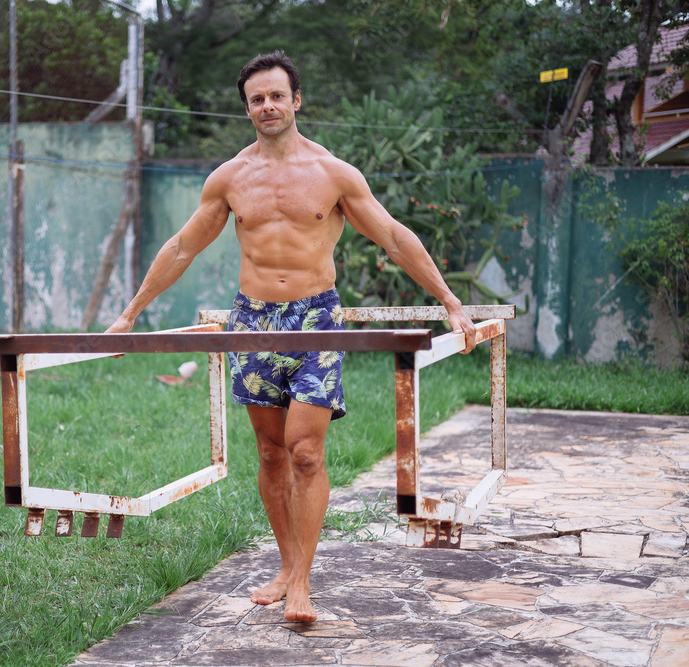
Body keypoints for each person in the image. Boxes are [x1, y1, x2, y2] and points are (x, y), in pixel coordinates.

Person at [106, 50, 477, 622]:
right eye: (257, 98)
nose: (268, 106)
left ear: (296, 100)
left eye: (277, 95)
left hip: (315, 319)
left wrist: (449, 301)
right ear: (247, 108)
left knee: (306, 451)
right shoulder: (230, 178)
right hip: (252, 321)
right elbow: (182, 246)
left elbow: (395, 240)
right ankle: (285, 564)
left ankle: (302, 581)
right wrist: (130, 313)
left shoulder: (334, 174)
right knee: (271, 452)